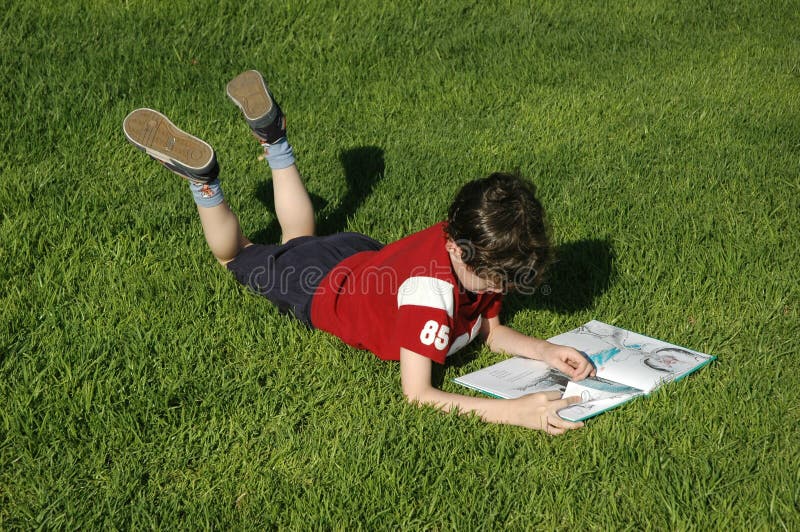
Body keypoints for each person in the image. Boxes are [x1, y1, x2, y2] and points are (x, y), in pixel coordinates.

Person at [122, 70, 595, 435]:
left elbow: (488, 328)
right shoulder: (431, 293)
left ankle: (275, 139)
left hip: (362, 257)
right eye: (495, 279)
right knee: (237, 255)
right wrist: (513, 412)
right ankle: (205, 182)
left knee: (300, 238)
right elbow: (418, 395)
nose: (502, 288)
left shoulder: (471, 244)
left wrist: (545, 350)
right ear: (457, 247)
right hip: (322, 287)